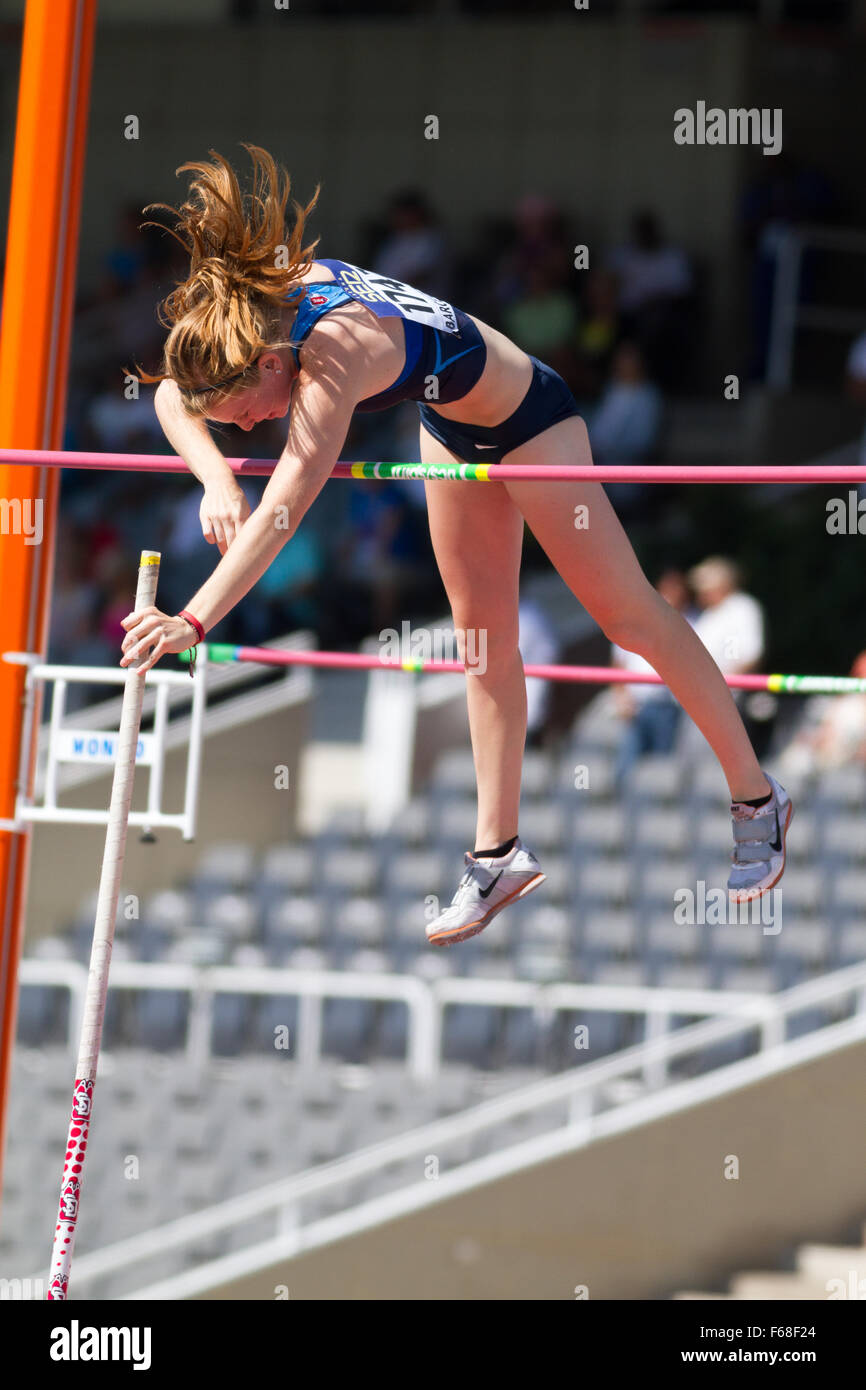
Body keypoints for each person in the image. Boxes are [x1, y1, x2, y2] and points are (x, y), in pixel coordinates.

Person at [123, 145, 792, 941]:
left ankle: (756, 798)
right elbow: (173, 393)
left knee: (627, 616)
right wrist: (218, 480)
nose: (246, 429)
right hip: (450, 427)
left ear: (273, 365)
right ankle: (497, 854)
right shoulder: (238, 314)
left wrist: (191, 622)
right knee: (482, 641)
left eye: (246, 415)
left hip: (529, 421)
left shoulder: (330, 357)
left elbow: (283, 515)